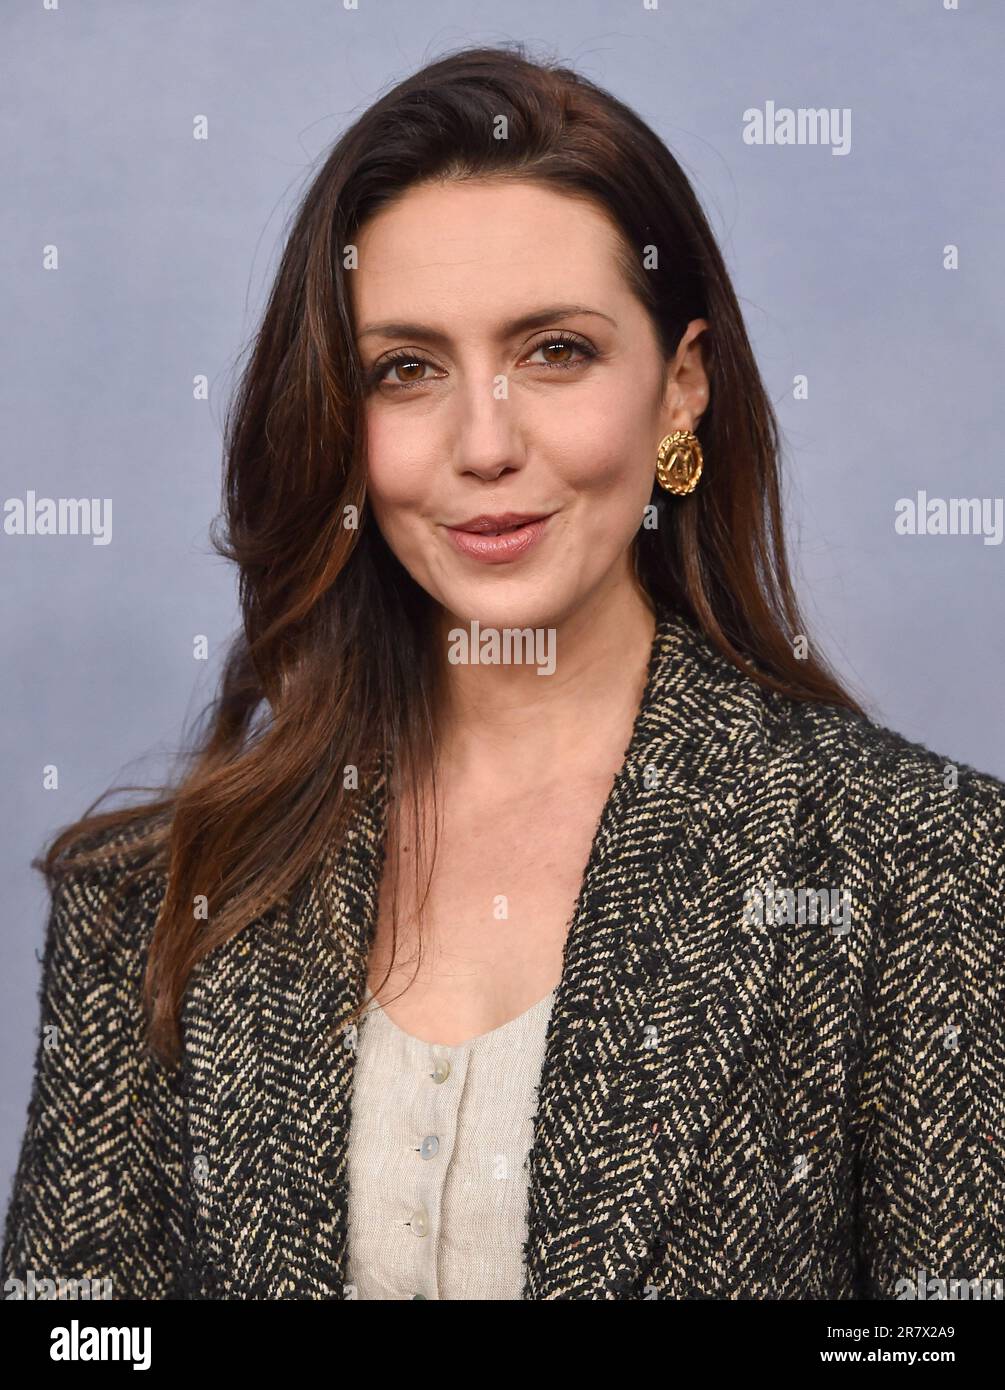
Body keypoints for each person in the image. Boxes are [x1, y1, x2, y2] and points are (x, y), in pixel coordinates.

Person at [3, 43, 1003, 1302]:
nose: (485, 445)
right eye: (404, 369)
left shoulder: (923, 860)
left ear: (680, 389)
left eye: (556, 352)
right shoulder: (159, 897)